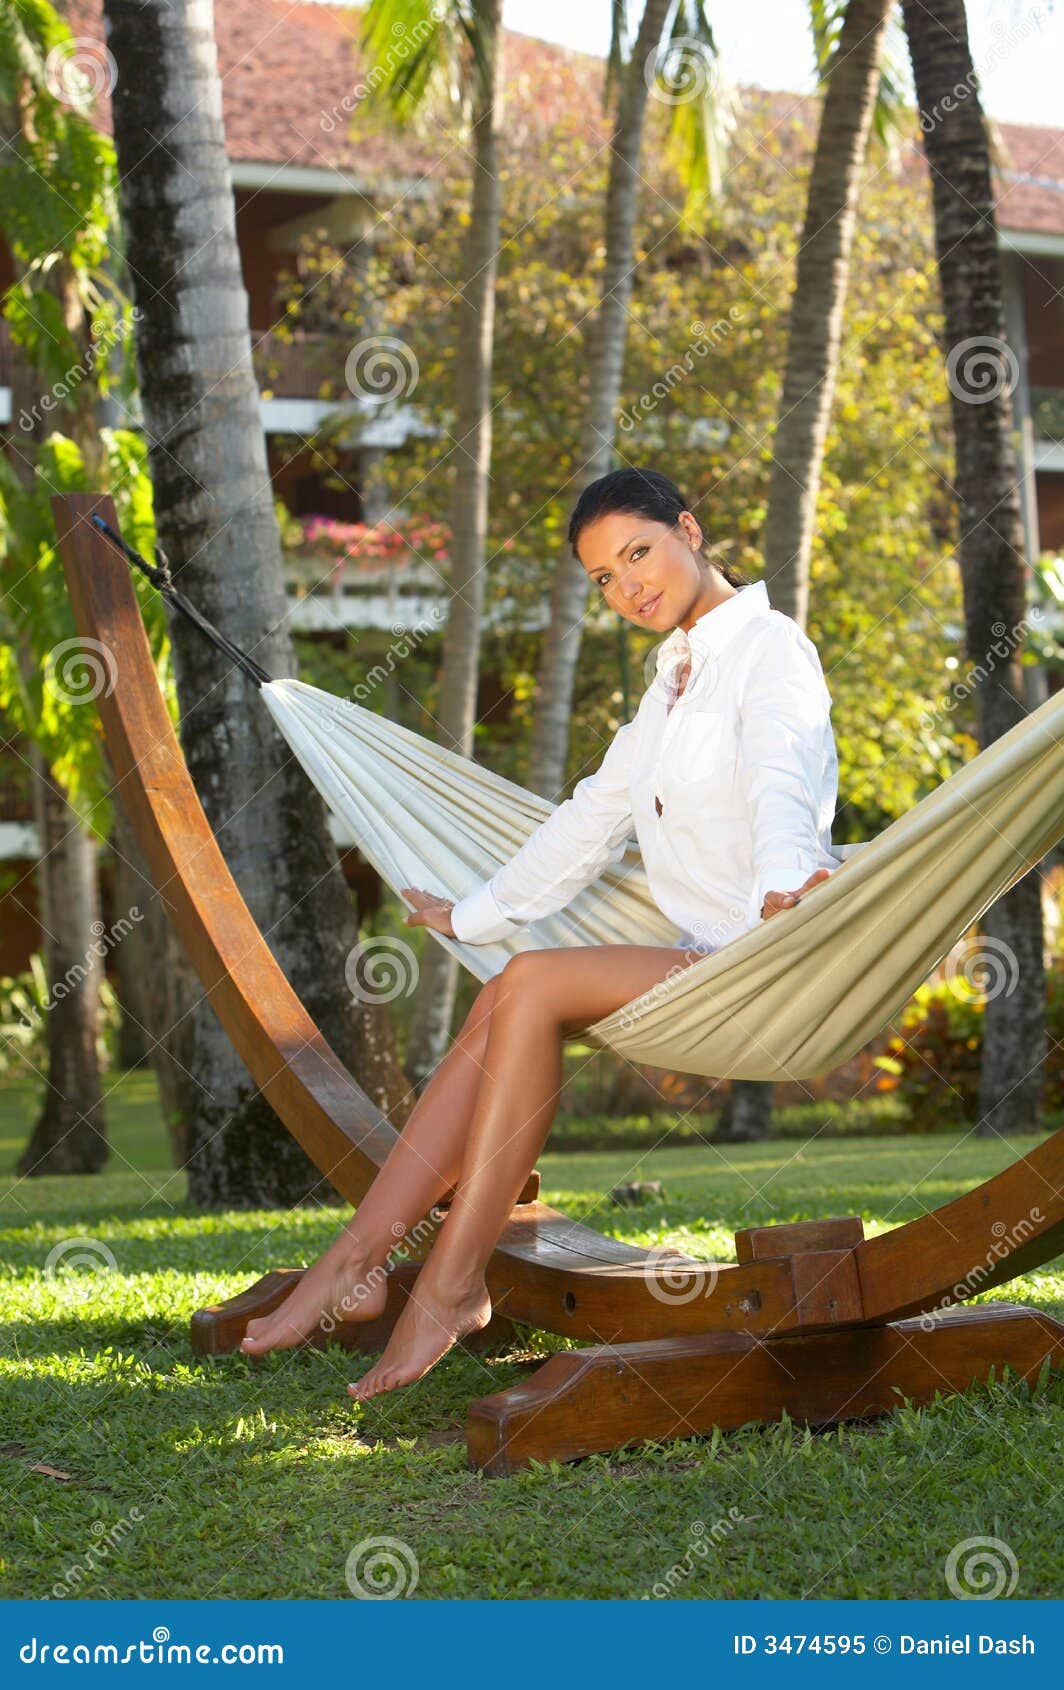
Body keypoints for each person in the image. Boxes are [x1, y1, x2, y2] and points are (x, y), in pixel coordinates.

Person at [240, 467, 838, 1401]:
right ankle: (356, 1259)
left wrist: (784, 877)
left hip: (772, 955)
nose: (629, 585)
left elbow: (781, 773)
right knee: (504, 991)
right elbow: (590, 819)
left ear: (688, 529)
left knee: (527, 984)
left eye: (638, 552)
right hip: (711, 956)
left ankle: (450, 1282)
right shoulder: (674, 676)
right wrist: (470, 915)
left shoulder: (768, 648)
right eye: (605, 576)